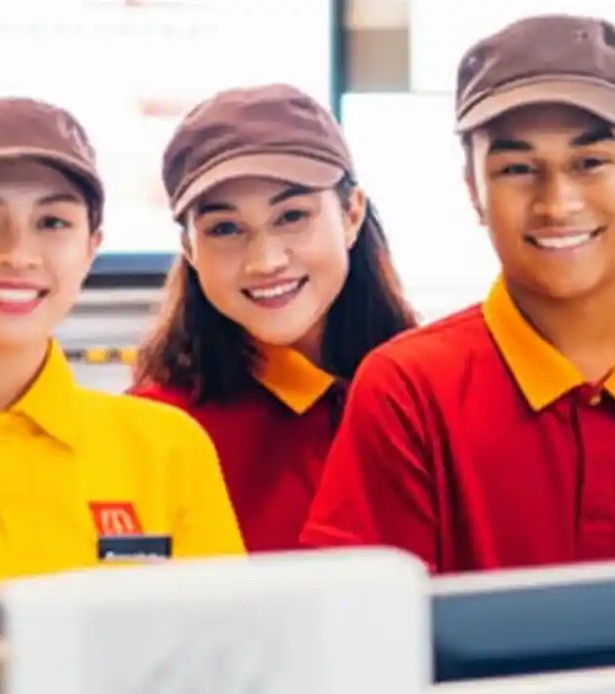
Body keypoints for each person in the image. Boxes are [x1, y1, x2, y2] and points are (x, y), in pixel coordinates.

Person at [303, 14, 615, 572]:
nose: (557, 202)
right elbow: (368, 632)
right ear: (473, 189)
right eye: (517, 168)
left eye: (589, 163)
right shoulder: (408, 394)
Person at [0, 97, 244, 594]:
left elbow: (222, 659)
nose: (17, 254)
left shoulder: (166, 451)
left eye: (53, 223)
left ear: (91, 247)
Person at [130, 84, 417, 553]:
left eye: (292, 216)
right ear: (189, 249)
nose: (265, 261)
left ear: (351, 214)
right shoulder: (152, 430)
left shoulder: (427, 396)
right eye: (225, 228)